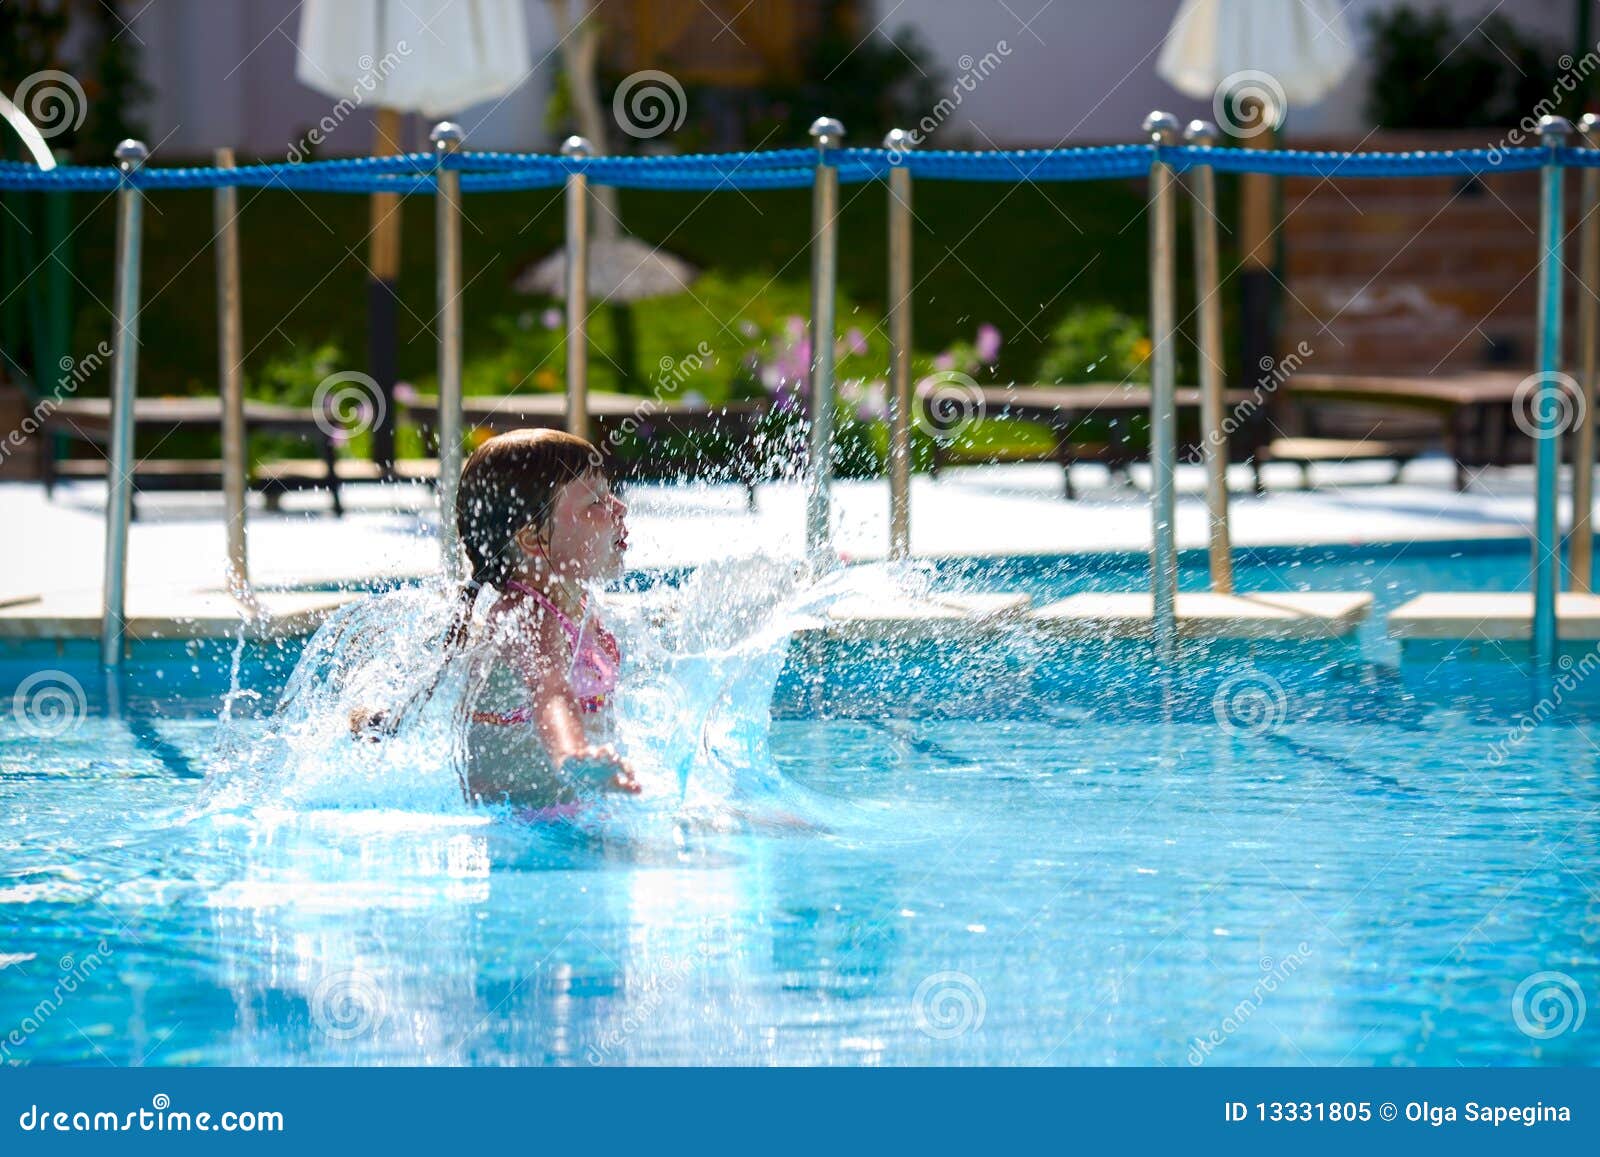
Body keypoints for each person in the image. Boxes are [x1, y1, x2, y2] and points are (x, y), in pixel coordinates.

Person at [433, 428, 640, 807]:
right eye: (595, 501)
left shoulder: (576, 606)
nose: (618, 507)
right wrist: (574, 756)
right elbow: (550, 692)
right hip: (529, 816)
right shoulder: (526, 615)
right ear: (532, 539)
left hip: (571, 806)